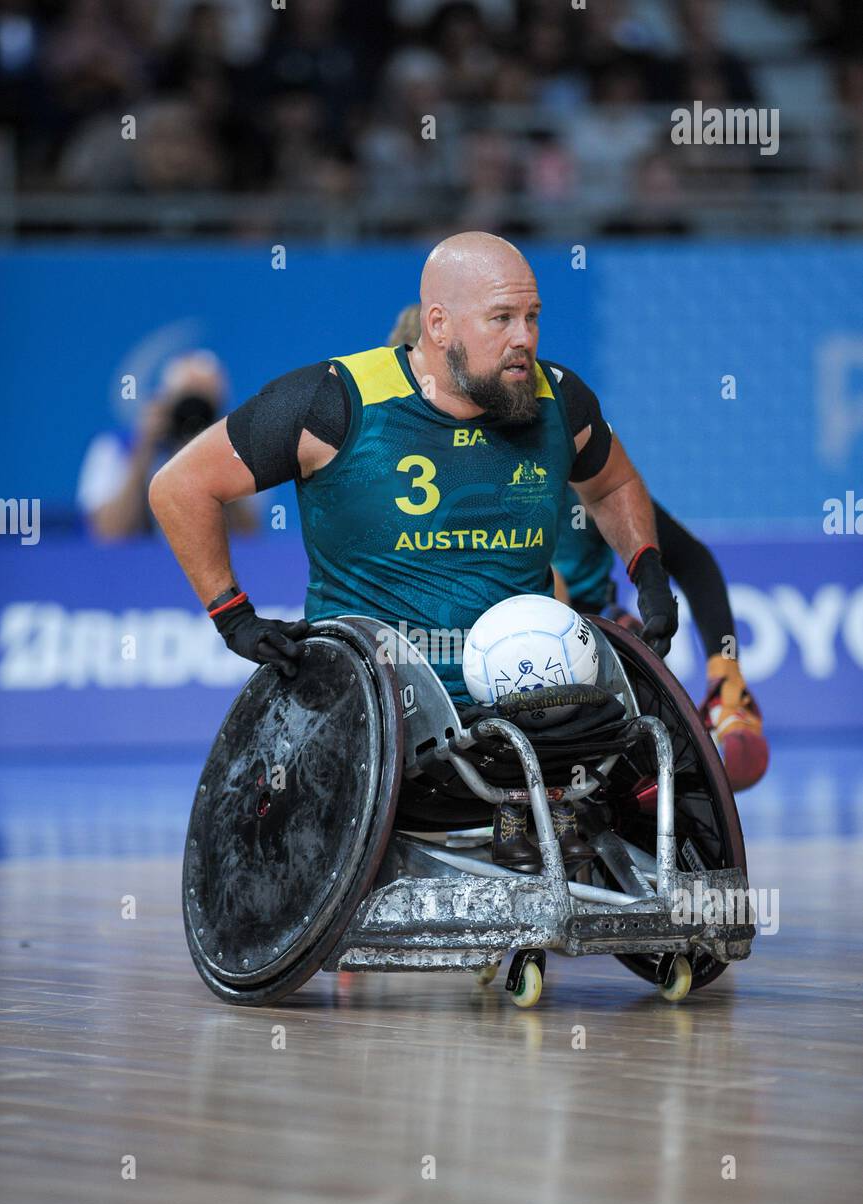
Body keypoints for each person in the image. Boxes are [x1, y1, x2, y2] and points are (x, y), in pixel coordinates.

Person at [149, 232, 678, 870]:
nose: (525, 338)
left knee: (624, 703)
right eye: (502, 319)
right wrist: (233, 617)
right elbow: (180, 486)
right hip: (378, 709)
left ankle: (554, 820)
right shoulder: (336, 401)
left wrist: (647, 572)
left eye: (533, 317)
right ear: (439, 324)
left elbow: (613, 483)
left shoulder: (559, 399)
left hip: (529, 699)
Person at [386, 302, 768, 794]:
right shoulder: (409, 485)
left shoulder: (558, 459)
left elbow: (688, 558)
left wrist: (724, 671)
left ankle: (654, 786)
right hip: (462, 658)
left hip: (585, 646)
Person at [78, 351, 256, 539]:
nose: (194, 415)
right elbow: (109, 534)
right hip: (133, 567)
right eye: (186, 403)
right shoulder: (112, 448)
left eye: (203, 406)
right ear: (163, 402)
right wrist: (144, 448)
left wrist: (219, 455)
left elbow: (248, 538)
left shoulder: (241, 454)